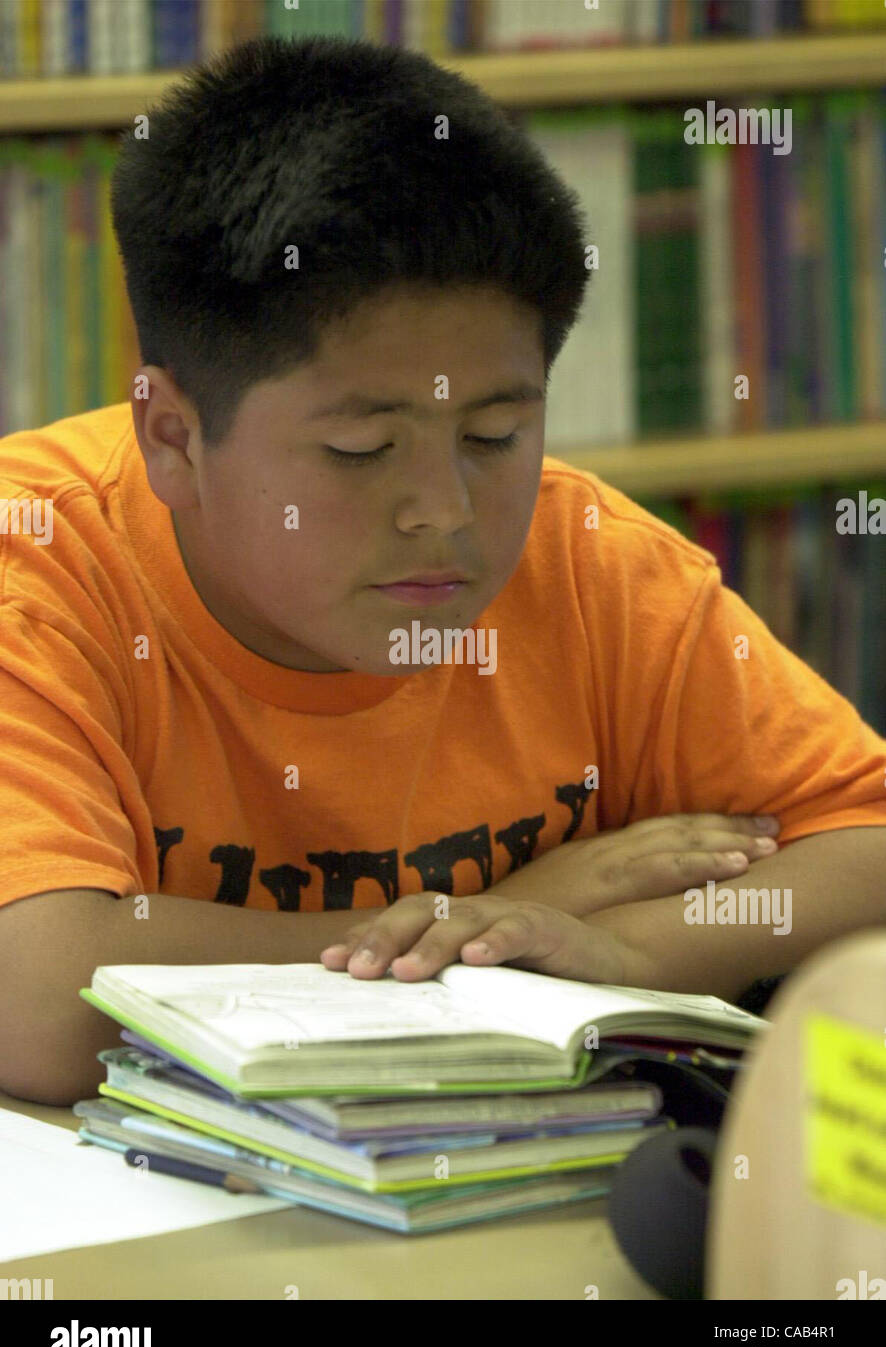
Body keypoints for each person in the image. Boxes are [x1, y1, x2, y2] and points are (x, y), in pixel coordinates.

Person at [0, 36, 884, 1106]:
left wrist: (632, 952)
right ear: (176, 437)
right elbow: (41, 1004)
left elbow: (862, 840)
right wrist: (487, 916)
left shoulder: (586, 560)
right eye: (361, 453)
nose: (444, 512)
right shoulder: (38, 567)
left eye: (496, 433)